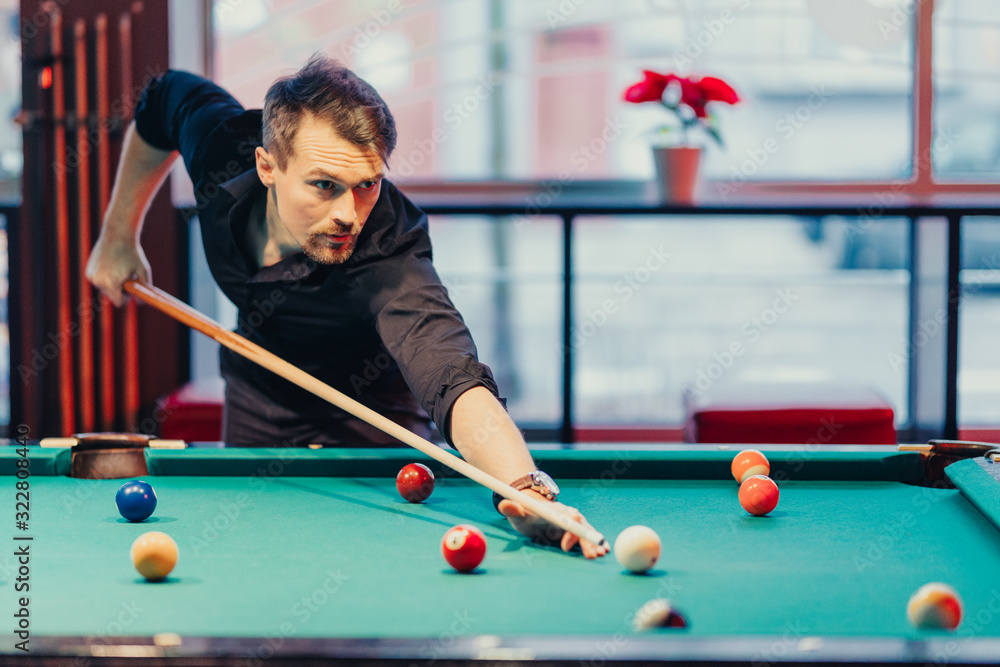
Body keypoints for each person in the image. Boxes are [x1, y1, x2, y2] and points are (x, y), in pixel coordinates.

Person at [86, 54, 608, 559]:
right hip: (259, 392)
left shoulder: (389, 252)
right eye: (324, 185)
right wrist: (117, 235)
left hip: (373, 414)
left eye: (366, 185)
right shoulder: (221, 148)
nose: (349, 215)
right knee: (248, 548)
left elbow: (450, 372)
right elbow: (162, 99)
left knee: (374, 563)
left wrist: (524, 488)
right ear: (267, 166)